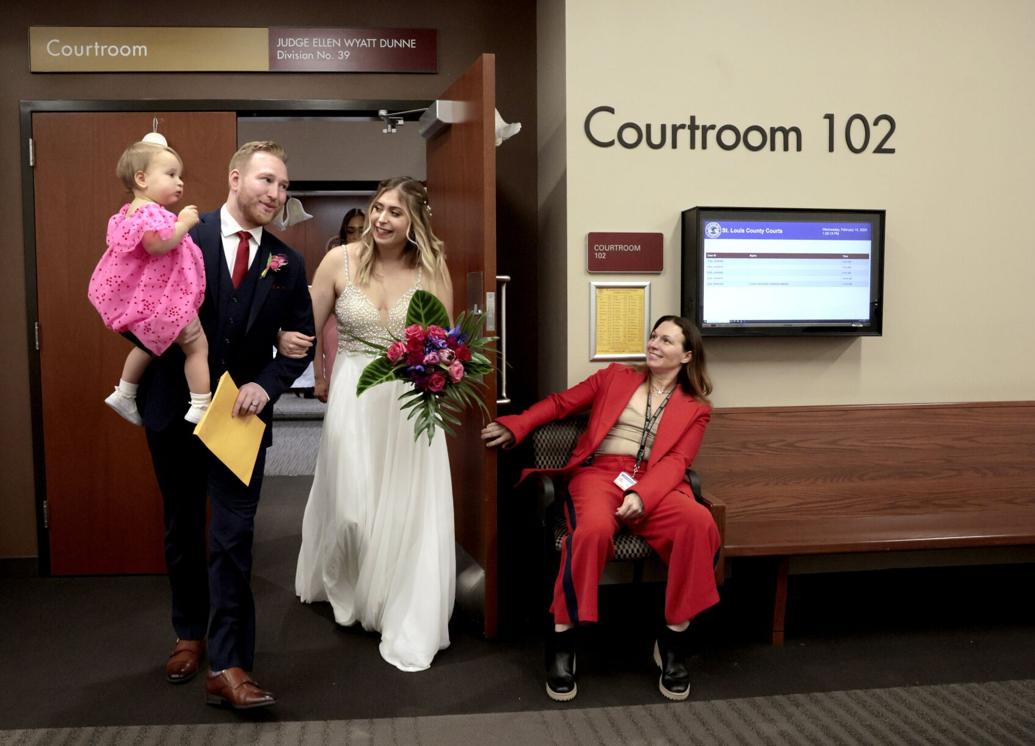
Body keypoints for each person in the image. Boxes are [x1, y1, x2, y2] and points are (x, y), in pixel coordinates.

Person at [136, 141, 315, 709]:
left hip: (242, 417)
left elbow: (299, 344)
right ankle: (190, 633)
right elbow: (134, 302)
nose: (276, 194)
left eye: (284, 186)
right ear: (235, 178)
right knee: (183, 527)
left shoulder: (289, 262)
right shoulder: (183, 234)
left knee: (233, 536)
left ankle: (231, 663)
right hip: (175, 407)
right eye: (266, 180)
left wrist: (271, 378)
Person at [481, 316, 719, 702]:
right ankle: (562, 639)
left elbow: (677, 462)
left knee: (699, 522)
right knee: (590, 532)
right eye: (654, 336)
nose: (655, 343)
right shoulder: (615, 377)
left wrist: (643, 495)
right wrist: (518, 425)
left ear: (687, 355)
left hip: (657, 483)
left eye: (667, 340)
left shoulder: (696, 408)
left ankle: (673, 641)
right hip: (601, 475)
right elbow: (561, 404)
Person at [294, 177, 455, 671]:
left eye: (395, 213)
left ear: (415, 224)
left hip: (408, 400)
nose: (382, 219)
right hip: (355, 395)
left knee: (404, 506)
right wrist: (299, 358)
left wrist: (440, 373)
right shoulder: (337, 261)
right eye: (378, 208)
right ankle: (350, 586)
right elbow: (306, 324)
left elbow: (445, 344)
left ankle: (393, 602)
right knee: (353, 509)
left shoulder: (431, 269)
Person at [88, 141, 211, 425]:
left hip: (147, 299)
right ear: (141, 179)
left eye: (180, 176)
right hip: (164, 299)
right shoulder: (151, 213)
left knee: (148, 344)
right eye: (170, 174)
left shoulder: (129, 213)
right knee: (197, 345)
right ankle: (201, 403)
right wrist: (184, 222)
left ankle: (125, 391)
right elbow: (158, 245)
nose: (179, 182)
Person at [315, 208, 366, 399]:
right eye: (351, 231)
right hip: (338, 340)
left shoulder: (387, 266)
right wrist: (319, 377)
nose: (357, 236)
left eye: (362, 230)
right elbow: (315, 330)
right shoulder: (334, 265)